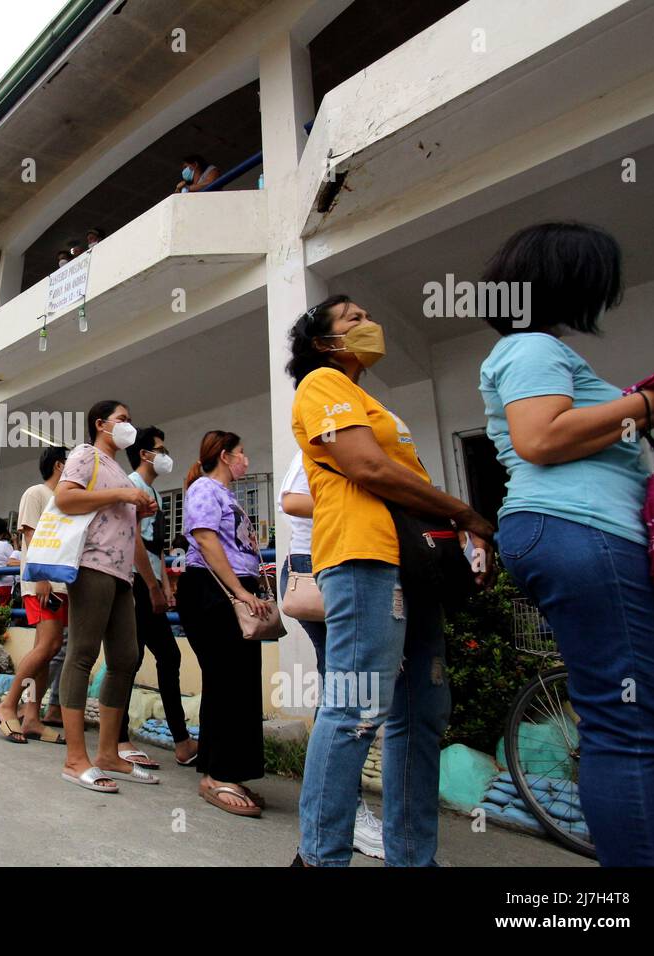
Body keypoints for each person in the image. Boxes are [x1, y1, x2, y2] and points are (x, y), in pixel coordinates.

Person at [478, 222, 654, 866]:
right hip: (582, 530)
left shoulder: (541, 352)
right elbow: (541, 438)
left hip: (573, 532)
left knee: (639, 722)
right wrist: (649, 403)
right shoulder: (532, 347)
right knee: (630, 730)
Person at [288, 295, 493, 866]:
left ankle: (411, 857)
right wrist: (465, 513)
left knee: (422, 711)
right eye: (352, 318)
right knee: (354, 707)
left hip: (414, 563)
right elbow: (369, 469)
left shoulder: (367, 399)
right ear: (322, 343)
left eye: (368, 314)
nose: (369, 323)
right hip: (364, 556)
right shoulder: (321, 385)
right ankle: (321, 856)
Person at [278, 450, 384, 857]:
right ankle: (342, 812)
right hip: (317, 568)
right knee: (347, 691)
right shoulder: (319, 445)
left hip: (348, 564)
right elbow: (292, 500)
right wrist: (360, 498)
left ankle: (338, 811)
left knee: (347, 688)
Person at [53, 401, 162, 792]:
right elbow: (66, 498)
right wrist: (122, 495)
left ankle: (108, 753)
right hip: (92, 565)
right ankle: (74, 757)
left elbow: (117, 515)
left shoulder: (118, 470)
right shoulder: (86, 454)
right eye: (122, 420)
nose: (128, 426)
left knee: (125, 658)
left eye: (130, 419)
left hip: (121, 572)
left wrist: (138, 508)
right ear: (100, 424)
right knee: (83, 653)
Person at [175, 430, 272, 814]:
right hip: (214, 591)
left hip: (233, 589)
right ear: (225, 456)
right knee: (229, 678)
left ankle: (226, 769)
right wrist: (240, 592)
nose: (245, 459)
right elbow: (206, 539)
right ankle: (217, 776)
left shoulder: (228, 496)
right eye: (242, 452)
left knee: (236, 680)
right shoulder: (204, 489)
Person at [116, 425, 193, 769]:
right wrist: (150, 586)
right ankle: (118, 738)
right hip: (134, 584)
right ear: (145, 455)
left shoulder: (156, 495)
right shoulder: (131, 486)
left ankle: (181, 741)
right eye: (160, 449)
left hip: (150, 585)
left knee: (164, 656)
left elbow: (156, 547)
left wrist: (166, 586)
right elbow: (132, 541)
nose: (166, 455)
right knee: (129, 660)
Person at [0, 447, 69, 743]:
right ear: (59, 466)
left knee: (47, 650)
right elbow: (31, 535)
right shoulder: (36, 493)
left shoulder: (64, 500)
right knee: (48, 646)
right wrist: (42, 576)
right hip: (42, 581)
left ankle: (33, 717)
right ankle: (8, 704)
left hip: (61, 584)